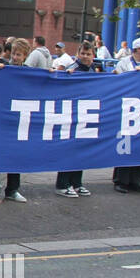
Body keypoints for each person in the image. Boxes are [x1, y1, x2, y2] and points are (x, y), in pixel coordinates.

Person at [0, 38, 31, 203]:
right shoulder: (3, 67)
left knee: (15, 155)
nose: (15, 57)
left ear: (25, 56)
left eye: (19, 55)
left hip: (18, 118)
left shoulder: (28, 71)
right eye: (13, 54)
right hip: (1, 116)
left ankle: (12, 189)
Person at [54, 43, 96, 197]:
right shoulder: (72, 69)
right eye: (83, 53)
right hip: (71, 116)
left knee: (82, 151)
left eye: (88, 53)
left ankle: (76, 183)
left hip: (85, 115)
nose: (85, 56)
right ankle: (63, 184)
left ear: (93, 55)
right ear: (78, 54)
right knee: (69, 150)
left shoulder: (93, 69)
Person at [112, 37, 140, 193]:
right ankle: (121, 180)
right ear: (138, 49)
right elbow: (118, 81)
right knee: (126, 144)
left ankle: (136, 179)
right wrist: (132, 75)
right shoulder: (124, 63)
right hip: (127, 108)